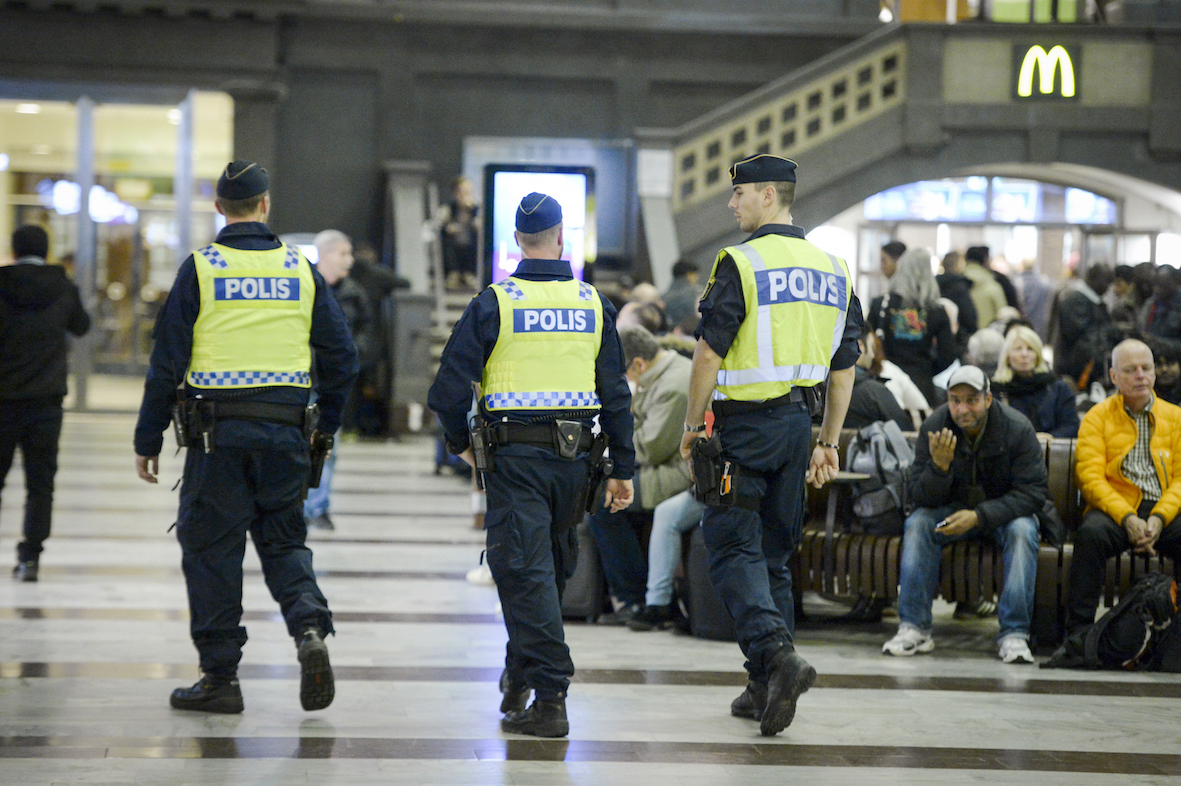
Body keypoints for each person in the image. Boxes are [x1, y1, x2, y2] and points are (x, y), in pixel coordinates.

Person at [133, 161, 358, 714]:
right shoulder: (300, 269)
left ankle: (220, 679)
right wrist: (324, 428)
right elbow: (343, 358)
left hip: (217, 440)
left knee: (212, 552)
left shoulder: (201, 269)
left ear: (219, 208)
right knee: (284, 542)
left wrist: (148, 437)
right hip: (286, 436)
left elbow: (167, 361)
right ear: (265, 205)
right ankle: (309, 628)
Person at [427, 192, 634, 738]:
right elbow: (616, 395)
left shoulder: (495, 303)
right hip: (577, 463)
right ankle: (521, 671)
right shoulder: (594, 304)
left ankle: (551, 696)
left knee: (526, 573)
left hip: (515, 460)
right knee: (547, 572)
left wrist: (460, 445)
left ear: (517, 241)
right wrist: (623, 468)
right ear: (562, 238)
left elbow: (447, 391)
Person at [678, 153, 862, 737]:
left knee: (731, 546)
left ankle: (778, 658)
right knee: (776, 556)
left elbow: (708, 352)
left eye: (739, 194)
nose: (731, 204)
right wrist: (828, 442)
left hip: (743, 431)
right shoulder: (834, 269)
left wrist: (692, 426)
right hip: (797, 430)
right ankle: (763, 685)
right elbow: (844, 370)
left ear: (767, 196)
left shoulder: (742, 263)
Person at [882, 366, 1047, 664]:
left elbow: (1033, 494)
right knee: (918, 523)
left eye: (971, 400)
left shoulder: (1017, 428)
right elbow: (919, 498)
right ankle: (914, 627)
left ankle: (1014, 634)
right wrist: (939, 468)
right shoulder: (935, 426)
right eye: (955, 400)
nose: (962, 409)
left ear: (988, 399)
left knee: (1024, 530)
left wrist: (980, 516)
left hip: (1002, 513)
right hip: (952, 512)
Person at [1066, 339, 1181, 636]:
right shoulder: (1097, 417)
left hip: (1163, 509)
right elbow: (1090, 479)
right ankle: (1080, 636)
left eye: (1146, 368)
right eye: (1130, 370)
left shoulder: (1176, 417)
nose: (1140, 375)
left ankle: (1175, 638)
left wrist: (1159, 518)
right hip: (1115, 510)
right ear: (1114, 376)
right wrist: (1128, 518)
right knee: (1090, 535)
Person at [0, 225, 91, 581]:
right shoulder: (63, 287)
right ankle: (30, 558)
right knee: (40, 484)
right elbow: (81, 327)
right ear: (46, 250)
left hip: (3, 400)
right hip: (46, 403)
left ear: (14, 250)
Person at [588, 325, 692, 627]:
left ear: (639, 364)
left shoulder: (674, 386)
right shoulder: (661, 375)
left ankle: (633, 598)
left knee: (605, 503)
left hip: (677, 473)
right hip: (659, 466)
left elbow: (649, 449)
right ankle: (625, 592)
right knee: (602, 490)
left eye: (626, 374)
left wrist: (610, 439)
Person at [303, 229, 374, 530]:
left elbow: (367, 333)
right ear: (325, 254)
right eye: (344, 253)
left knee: (326, 447)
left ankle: (318, 508)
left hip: (332, 385)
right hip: (301, 380)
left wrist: (352, 357)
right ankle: (294, 506)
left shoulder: (354, 293)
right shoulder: (303, 286)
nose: (350, 260)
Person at [868, 247, 958, 405]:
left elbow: (869, 343)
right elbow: (948, 354)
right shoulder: (936, 311)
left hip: (885, 381)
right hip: (921, 383)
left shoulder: (881, 304)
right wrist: (927, 369)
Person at [992, 325, 1079, 438]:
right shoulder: (996, 391)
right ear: (1007, 357)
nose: (1024, 354)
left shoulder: (1058, 389)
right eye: (1018, 349)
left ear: (1037, 355)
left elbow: (1071, 426)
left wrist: (1050, 437)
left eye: (1030, 349)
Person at [1053, 263, 1119, 387]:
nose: (1108, 288)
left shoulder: (1095, 301)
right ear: (1092, 278)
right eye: (1105, 281)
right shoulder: (1074, 301)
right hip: (1074, 371)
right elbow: (1081, 337)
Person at [846, 321, 913, 434]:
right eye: (871, 347)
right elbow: (905, 433)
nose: (872, 355)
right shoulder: (874, 391)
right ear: (859, 346)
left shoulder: (822, 387)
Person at [441, 175, 480, 290]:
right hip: (454, 245)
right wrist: (447, 228)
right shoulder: (448, 209)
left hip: (471, 245)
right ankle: (454, 273)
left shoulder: (476, 210)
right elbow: (439, 225)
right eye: (462, 193)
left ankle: (470, 273)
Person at [936, 250, 979, 343]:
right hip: (958, 338)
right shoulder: (960, 287)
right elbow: (969, 318)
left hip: (937, 337)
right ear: (959, 265)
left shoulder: (934, 285)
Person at [963, 246, 1009, 331]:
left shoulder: (957, 283)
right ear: (985, 260)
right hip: (988, 334)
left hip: (962, 336)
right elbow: (1003, 314)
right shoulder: (992, 285)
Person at [1144, 264, 1181, 354]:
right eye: (1155, 285)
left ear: (1176, 282)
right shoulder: (1151, 303)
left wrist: (1158, 343)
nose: (1156, 289)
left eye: (1162, 285)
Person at [662, 259, 702, 331]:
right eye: (696, 276)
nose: (697, 279)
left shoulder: (663, 298)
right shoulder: (698, 293)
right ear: (689, 275)